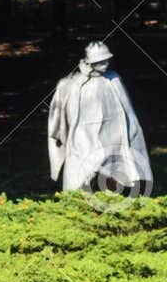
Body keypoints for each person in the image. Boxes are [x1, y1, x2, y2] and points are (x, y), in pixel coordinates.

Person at [48, 41, 152, 201]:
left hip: (113, 137)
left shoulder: (113, 80)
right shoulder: (70, 84)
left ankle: (112, 200)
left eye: (106, 60)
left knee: (112, 173)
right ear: (90, 62)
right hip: (82, 138)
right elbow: (59, 115)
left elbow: (127, 113)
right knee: (83, 172)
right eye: (101, 61)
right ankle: (82, 202)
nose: (106, 63)